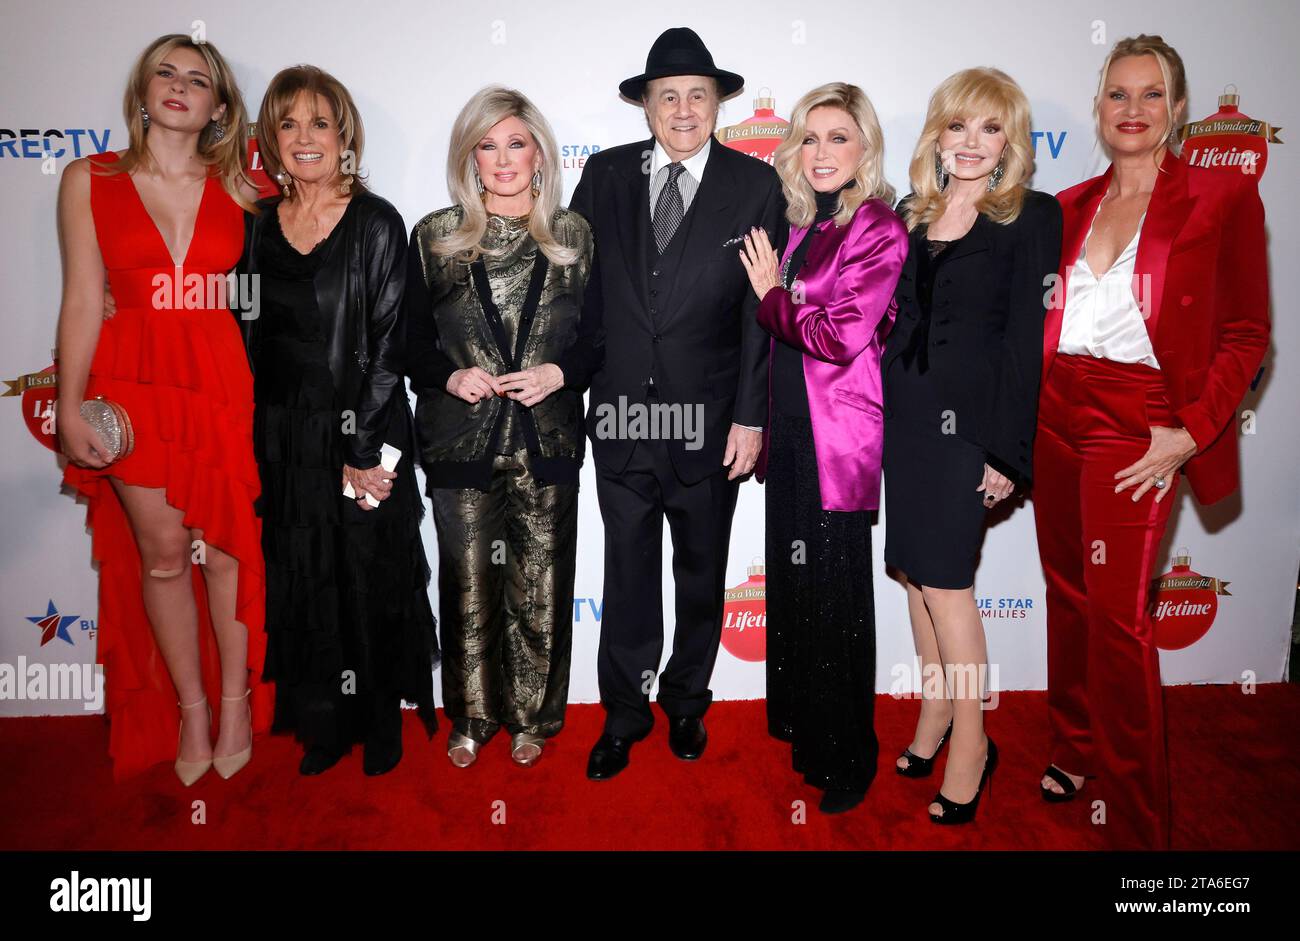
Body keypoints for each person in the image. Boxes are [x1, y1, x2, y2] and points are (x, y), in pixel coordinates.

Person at [1035, 35, 1269, 849]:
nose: (1131, 110)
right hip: (1053, 408)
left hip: (1138, 423)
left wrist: (1190, 433)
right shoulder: (1065, 204)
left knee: (1120, 619)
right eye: (1117, 95)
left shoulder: (1221, 199)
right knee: (1067, 591)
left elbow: (1247, 333)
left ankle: (1139, 829)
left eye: (1150, 95)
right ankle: (1075, 743)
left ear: (1177, 109)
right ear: (1098, 108)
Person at [567, 27, 785, 779]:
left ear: (717, 104)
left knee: (700, 570)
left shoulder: (755, 186)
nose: (684, 109)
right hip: (622, 416)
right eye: (669, 97)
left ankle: (688, 702)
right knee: (627, 575)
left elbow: (766, 313)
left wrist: (752, 415)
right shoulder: (602, 177)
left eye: (698, 95)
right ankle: (624, 712)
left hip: (710, 421)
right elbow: (579, 298)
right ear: (647, 107)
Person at [56, 34, 268, 785]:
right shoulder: (90, 178)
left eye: (198, 79)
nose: (179, 86)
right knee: (166, 555)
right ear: (143, 92)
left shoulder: (244, 183)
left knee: (230, 551)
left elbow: (317, 220)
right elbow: (82, 297)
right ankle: (193, 708)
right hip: (130, 385)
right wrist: (71, 405)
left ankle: (237, 700)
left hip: (217, 380)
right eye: (165, 74)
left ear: (218, 107)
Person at [237, 66, 439, 777]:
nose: (304, 137)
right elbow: (242, 328)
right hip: (287, 436)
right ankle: (326, 721)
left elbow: (391, 346)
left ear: (344, 134)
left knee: (368, 576)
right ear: (271, 138)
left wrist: (361, 451)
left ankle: (380, 721)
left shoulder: (377, 221)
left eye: (319, 122)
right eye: (288, 123)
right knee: (305, 576)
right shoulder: (256, 225)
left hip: (365, 429)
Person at [882, 68, 1062, 824]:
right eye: (958, 126)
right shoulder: (910, 208)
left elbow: (1027, 342)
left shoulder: (1032, 216)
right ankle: (935, 716)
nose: (971, 143)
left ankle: (973, 746)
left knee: (949, 585)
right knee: (917, 577)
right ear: (938, 133)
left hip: (969, 431)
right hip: (905, 418)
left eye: (990, 129)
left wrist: (1006, 451)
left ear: (1011, 141)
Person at [405, 86, 593, 768]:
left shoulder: (573, 236)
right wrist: (448, 375)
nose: (504, 157)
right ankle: (472, 715)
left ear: (540, 153)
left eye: (517, 142)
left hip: (548, 441)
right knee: (466, 583)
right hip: (461, 439)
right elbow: (409, 342)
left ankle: (533, 718)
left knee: (540, 582)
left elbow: (599, 337)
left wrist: (561, 373)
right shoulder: (433, 237)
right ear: (469, 158)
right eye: (488, 144)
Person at [738, 83, 907, 814]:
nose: (822, 152)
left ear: (865, 148)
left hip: (836, 441)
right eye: (810, 138)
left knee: (836, 592)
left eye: (839, 137)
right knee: (801, 584)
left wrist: (774, 295)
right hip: (794, 435)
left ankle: (848, 757)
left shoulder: (878, 227)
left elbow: (839, 336)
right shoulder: (808, 225)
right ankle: (809, 728)